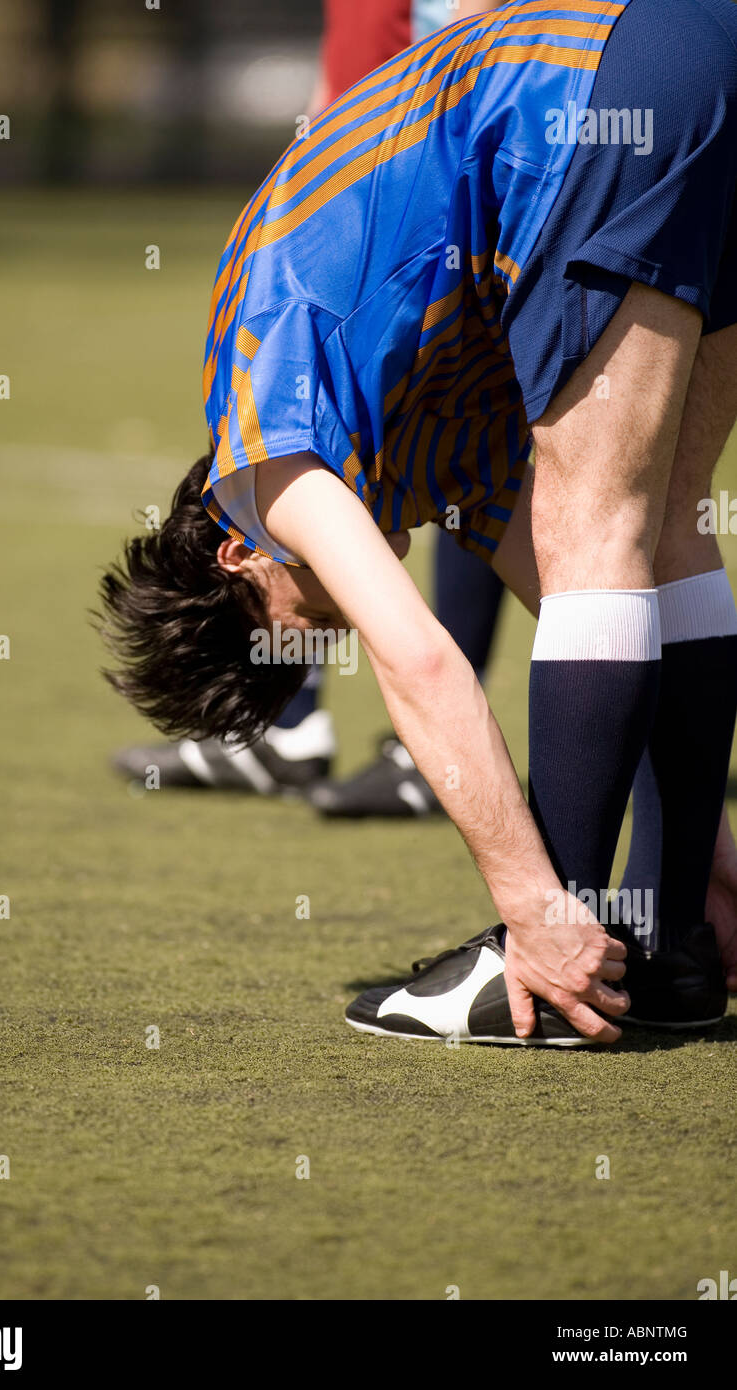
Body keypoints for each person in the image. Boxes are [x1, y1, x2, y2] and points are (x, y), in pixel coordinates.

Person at [99, 0, 737, 1046]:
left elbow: (428, 664)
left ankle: (555, 960)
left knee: (603, 530)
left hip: (586, 95)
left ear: (234, 551)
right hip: (692, 42)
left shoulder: (259, 457)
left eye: (308, 618)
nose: (343, 618)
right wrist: (711, 854)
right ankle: (674, 945)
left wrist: (533, 910)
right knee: (661, 531)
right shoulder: (397, 421)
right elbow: (619, 630)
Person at [113, 0, 507, 819]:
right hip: (403, 162)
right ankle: (297, 726)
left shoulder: (277, 431)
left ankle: (390, 747)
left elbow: (497, 33)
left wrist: (536, 909)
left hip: (460, 148)